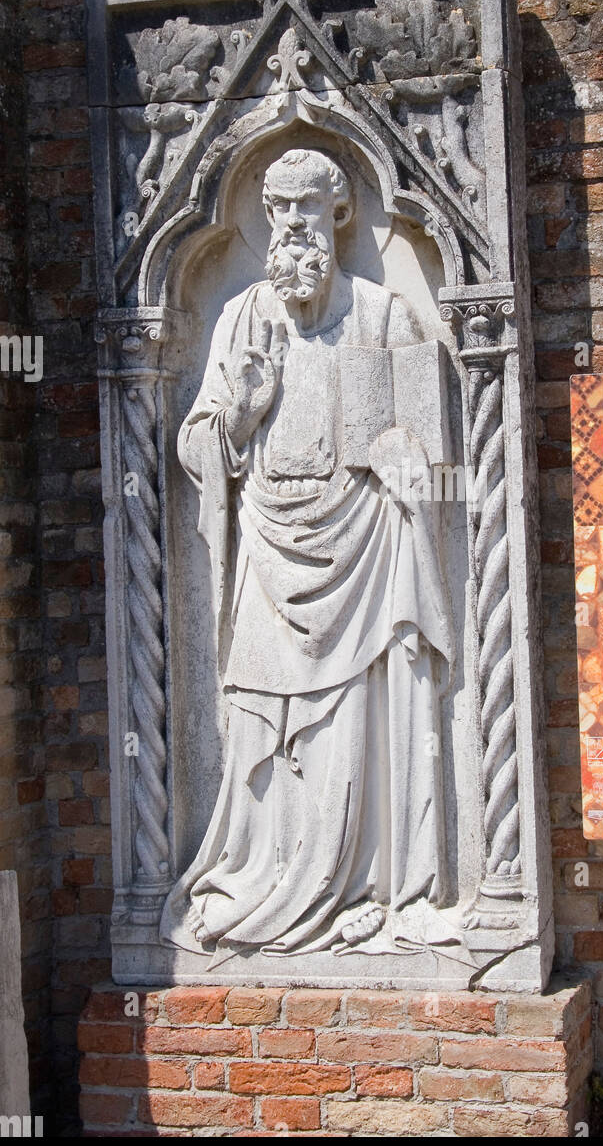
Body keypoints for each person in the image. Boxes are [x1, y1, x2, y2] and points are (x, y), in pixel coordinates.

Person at [160, 146, 454, 961]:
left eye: (306, 207)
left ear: (339, 215)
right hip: (268, 545)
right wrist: (241, 415)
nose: (290, 224)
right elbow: (196, 445)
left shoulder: (382, 313)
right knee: (262, 721)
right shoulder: (241, 318)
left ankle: (365, 886)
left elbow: (425, 446)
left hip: (361, 554)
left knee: (356, 726)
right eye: (277, 208)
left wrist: (406, 459)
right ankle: (268, 874)